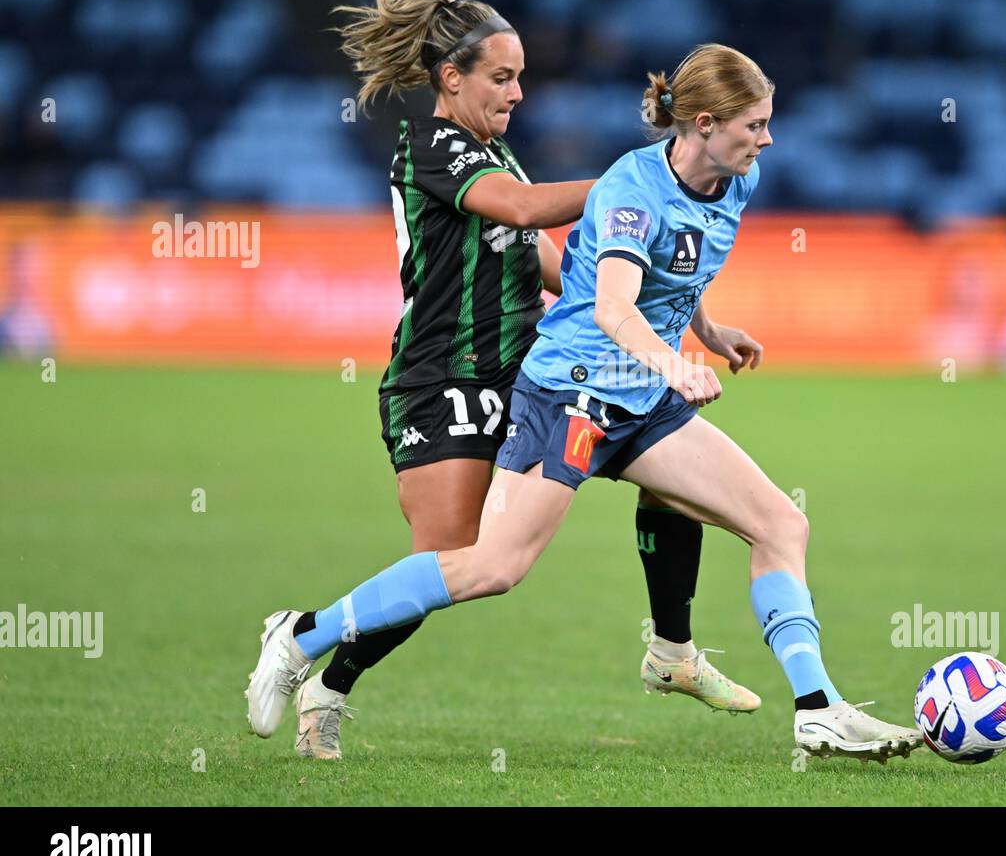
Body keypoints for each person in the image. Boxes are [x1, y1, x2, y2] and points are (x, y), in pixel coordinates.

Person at [249, 42, 922, 762]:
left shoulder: (735, 181)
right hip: (572, 394)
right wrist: (677, 365)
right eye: (753, 125)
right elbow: (612, 307)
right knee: (491, 567)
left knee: (781, 524)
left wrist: (708, 330)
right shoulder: (631, 190)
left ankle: (816, 709)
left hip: (640, 398)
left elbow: (677, 272)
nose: (767, 138)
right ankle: (300, 634)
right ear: (702, 123)